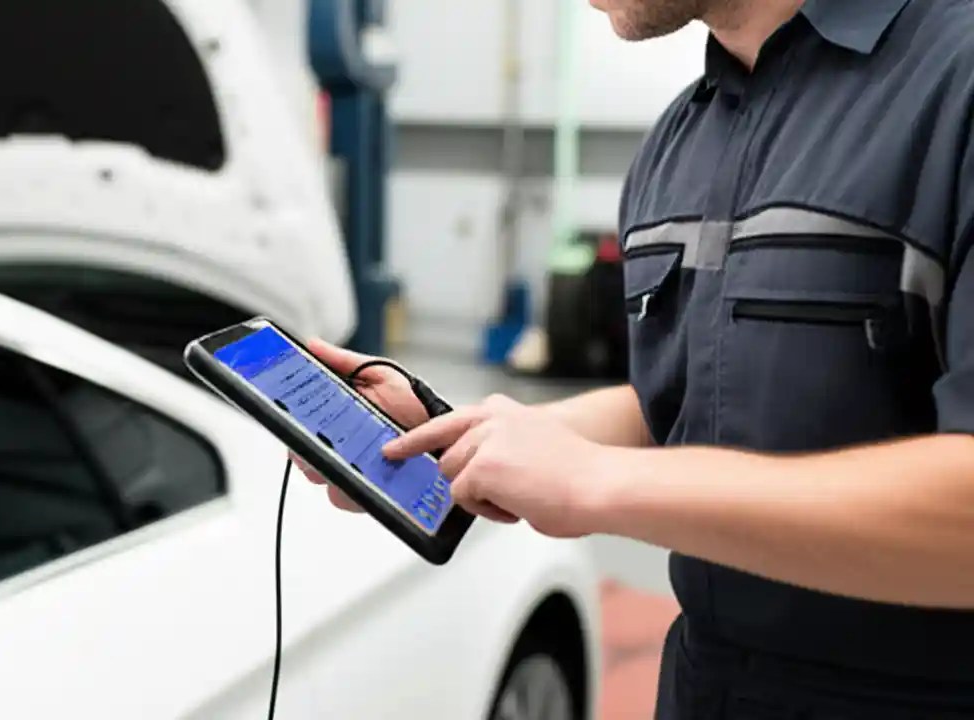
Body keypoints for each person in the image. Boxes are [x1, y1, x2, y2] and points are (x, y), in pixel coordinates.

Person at [295, 0, 974, 716]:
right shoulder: (677, 145)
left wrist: (598, 483)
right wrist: (458, 436)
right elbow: (682, 403)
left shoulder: (953, 83)